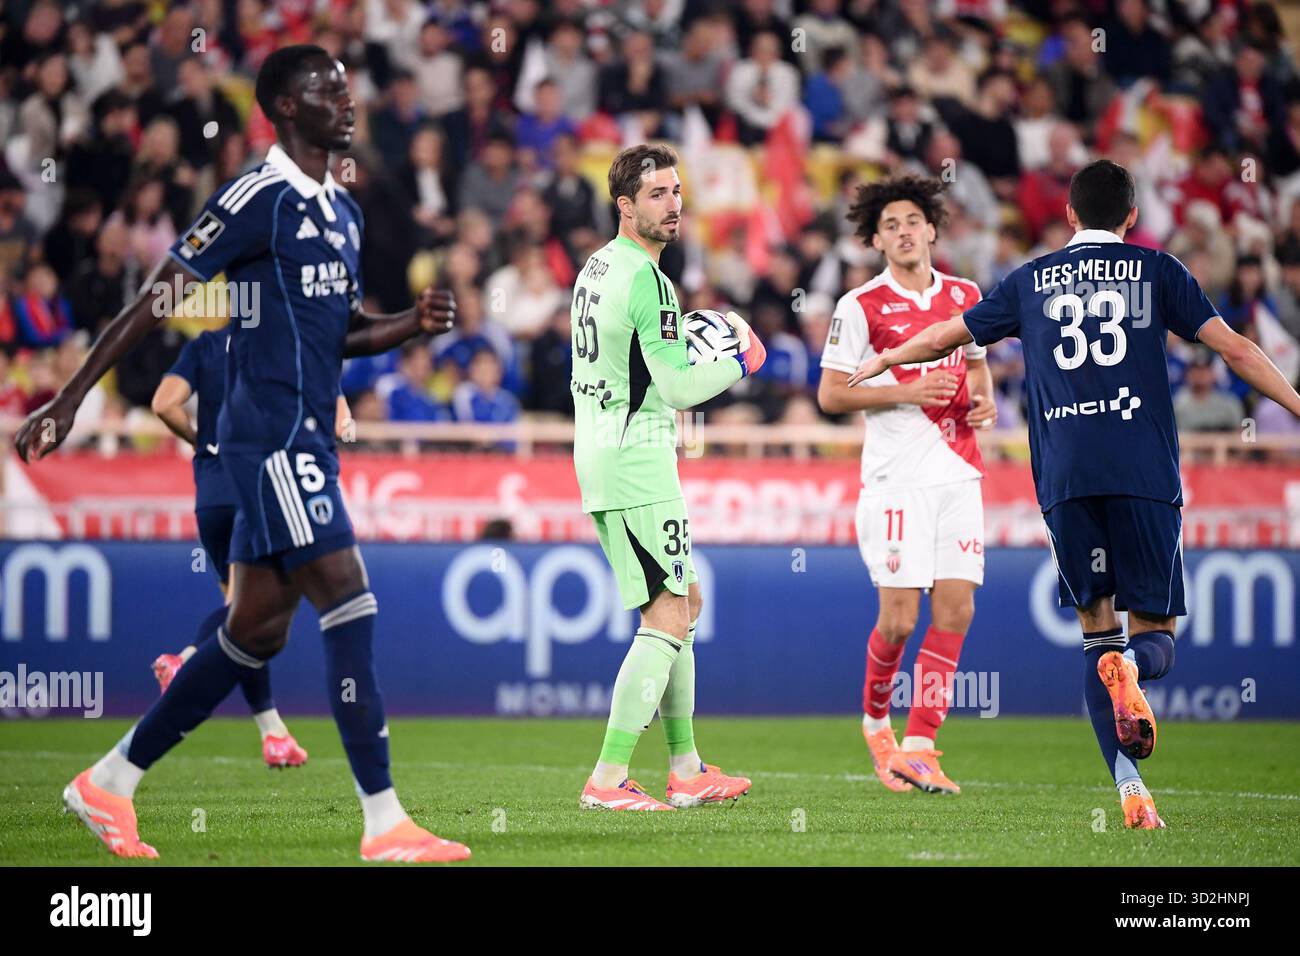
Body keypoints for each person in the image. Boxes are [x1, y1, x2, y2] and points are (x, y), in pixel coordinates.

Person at [14, 45, 469, 862]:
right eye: (326, 90)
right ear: (286, 109)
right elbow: (157, 299)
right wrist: (73, 395)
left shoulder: (343, 209)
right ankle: (384, 822)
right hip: (269, 440)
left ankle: (109, 782)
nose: (346, 99)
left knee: (252, 631)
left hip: (306, 438)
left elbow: (337, 336)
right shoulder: (255, 198)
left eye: (345, 85)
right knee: (349, 595)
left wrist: (407, 323)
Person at [845, 160, 1300, 829]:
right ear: (1132, 218)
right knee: (1156, 640)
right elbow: (1233, 350)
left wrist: (888, 357)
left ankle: (1130, 791)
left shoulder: (1031, 279)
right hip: (1142, 469)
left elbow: (952, 332)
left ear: (1068, 217)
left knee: (1096, 636)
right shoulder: (1157, 270)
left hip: (1064, 477)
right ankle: (1133, 673)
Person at [573, 144, 766, 811]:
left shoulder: (596, 267)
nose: (674, 204)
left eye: (677, 191)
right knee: (667, 612)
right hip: (635, 461)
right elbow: (680, 385)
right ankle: (607, 778)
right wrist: (744, 360)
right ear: (624, 205)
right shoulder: (648, 280)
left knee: (685, 600)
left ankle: (686, 766)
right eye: (657, 194)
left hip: (609, 450)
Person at [817, 175, 995, 795]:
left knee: (957, 608)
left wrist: (986, 401)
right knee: (897, 619)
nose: (903, 232)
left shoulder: (965, 293)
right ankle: (875, 723)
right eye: (889, 225)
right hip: (896, 481)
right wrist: (906, 391)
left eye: (912, 221)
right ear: (876, 239)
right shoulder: (859, 305)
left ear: (932, 229)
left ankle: (920, 746)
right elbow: (832, 393)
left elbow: (976, 362)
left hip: (959, 473)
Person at [150, 326, 356, 766]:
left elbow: (163, 403)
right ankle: (186, 658)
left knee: (244, 613)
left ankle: (273, 732)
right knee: (260, 608)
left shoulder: (204, 345)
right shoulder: (287, 340)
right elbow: (338, 420)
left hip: (211, 497)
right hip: (258, 485)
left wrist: (200, 441)